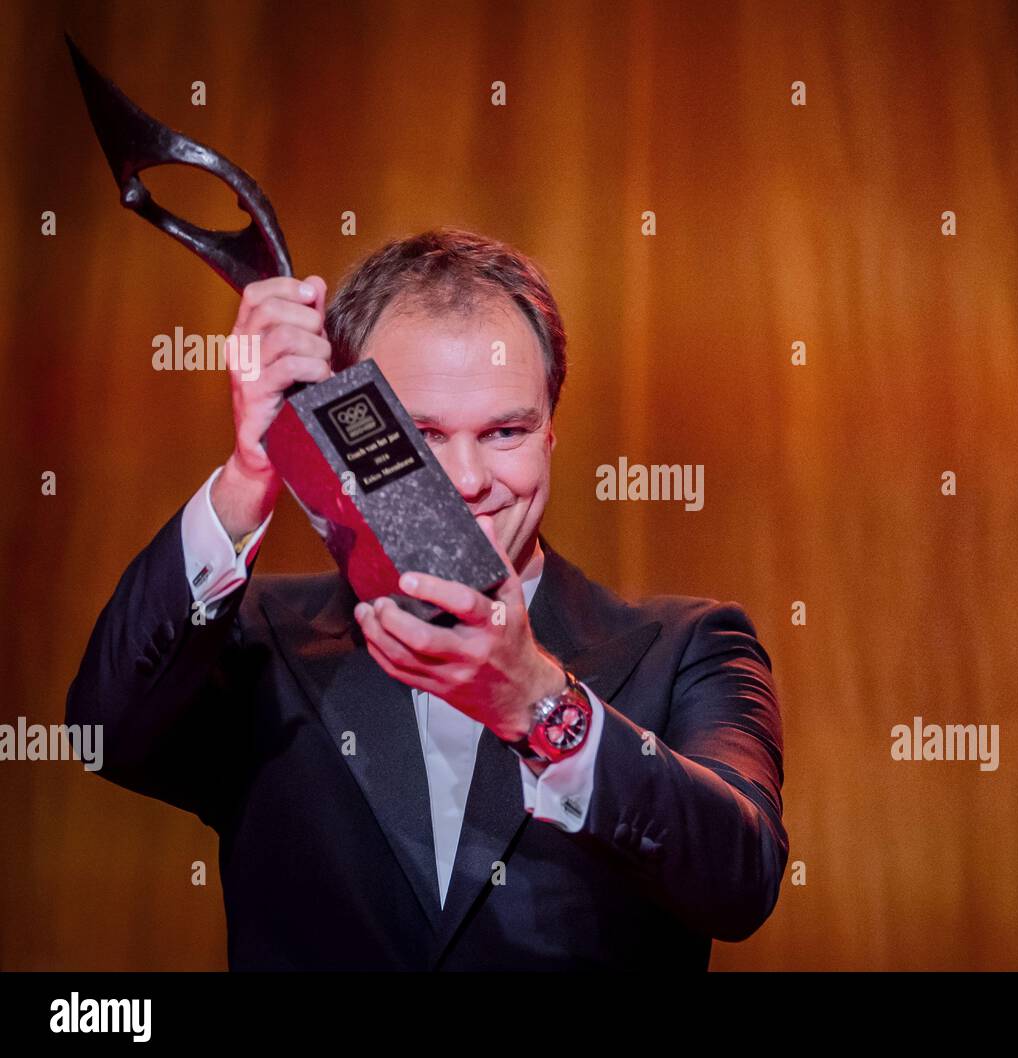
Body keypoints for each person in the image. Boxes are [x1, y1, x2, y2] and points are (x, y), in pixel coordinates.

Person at [67, 228, 788, 970]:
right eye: (423, 434)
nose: (468, 478)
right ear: (346, 437)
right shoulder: (260, 638)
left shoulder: (691, 646)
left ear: (551, 435)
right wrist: (251, 473)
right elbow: (103, 732)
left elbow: (741, 878)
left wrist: (540, 706)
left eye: (506, 431)